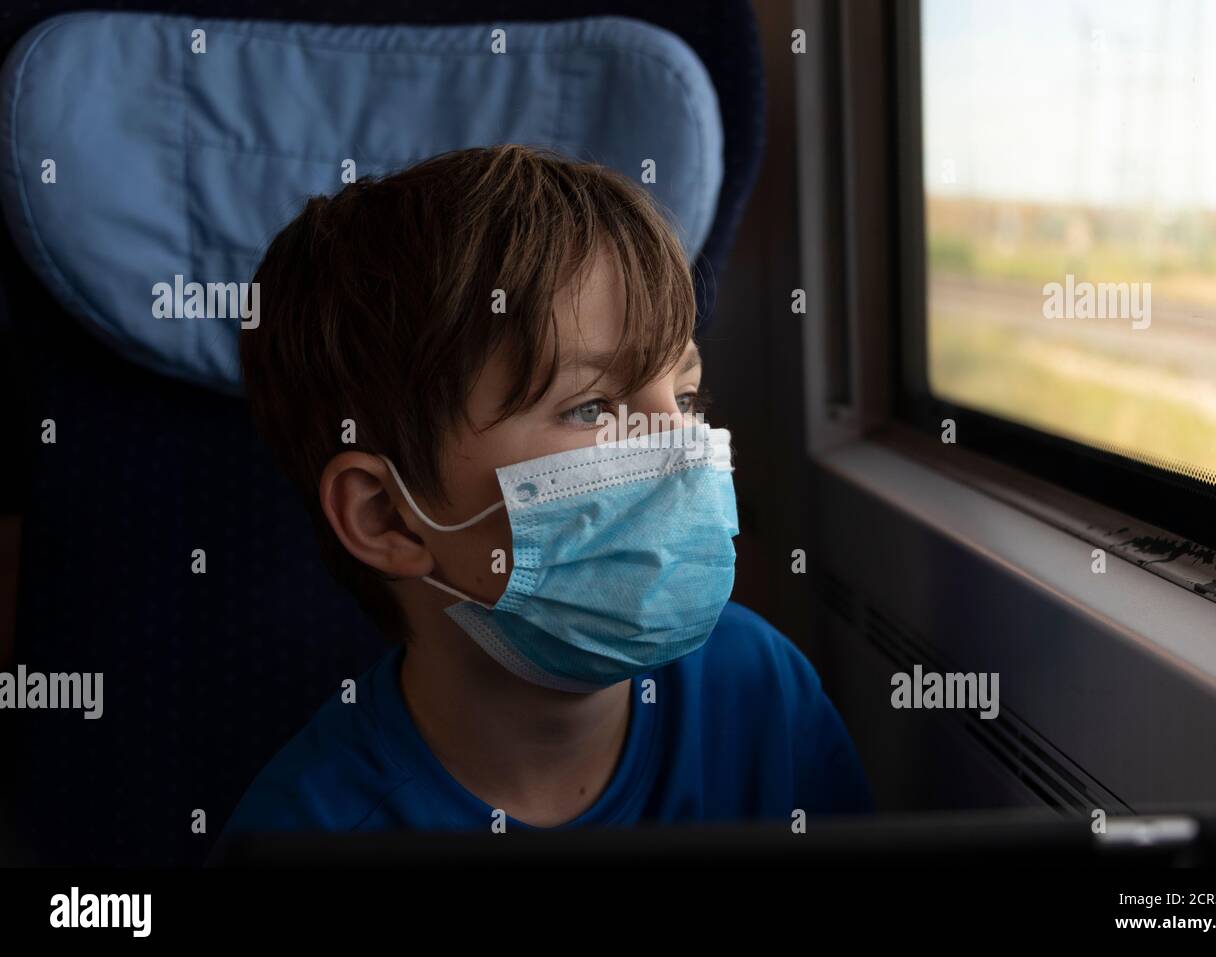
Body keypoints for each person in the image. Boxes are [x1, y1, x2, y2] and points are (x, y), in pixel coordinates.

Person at [211, 145, 871, 851]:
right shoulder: (307, 833)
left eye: (683, 396)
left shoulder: (762, 690)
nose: (680, 448)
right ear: (386, 516)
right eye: (591, 408)